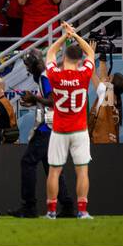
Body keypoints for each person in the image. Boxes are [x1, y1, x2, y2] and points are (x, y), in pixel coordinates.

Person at [44, 23, 95, 219]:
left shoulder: (55, 75)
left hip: (59, 130)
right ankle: (82, 211)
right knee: (82, 172)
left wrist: (65, 36)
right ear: (79, 60)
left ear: (64, 58)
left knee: (54, 171)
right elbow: (90, 52)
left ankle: (51, 211)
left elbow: (50, 52)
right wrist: (75, 35)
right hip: (80, 130)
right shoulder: (85, 73)